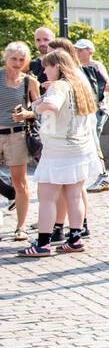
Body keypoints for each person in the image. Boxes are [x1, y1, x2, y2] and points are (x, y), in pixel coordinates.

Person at [16, 47, 97, 257]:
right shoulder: (79, 85)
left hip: (58, 151)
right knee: (74, 196)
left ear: (57, 66)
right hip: (79, 148)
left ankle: (43, 243)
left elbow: (52, 105)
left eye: (47, 67)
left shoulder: (59, 86)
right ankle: (75, 239)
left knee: (47, 197)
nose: (44, 71)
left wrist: (36, 109)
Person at [1, 42, 40, 241]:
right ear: (5, 58)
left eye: (21, 59)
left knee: (20, 182)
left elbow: (40, 111)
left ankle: (21, 227)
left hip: (17, 135)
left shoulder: (29, 82)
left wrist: (27, 114)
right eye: (13, 58)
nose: (17, 63)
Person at [76, 39, 109, 193]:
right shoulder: (79, 67)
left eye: (81, 50)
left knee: (94, 141)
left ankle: (103, 175)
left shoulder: (95, 66)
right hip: (89, 110)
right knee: (91, 141)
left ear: (90, 51)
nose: (78, 52)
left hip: (98, 109)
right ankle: (99, 175)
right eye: (76, 49)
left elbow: (108, 86)